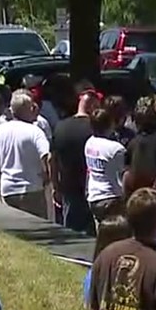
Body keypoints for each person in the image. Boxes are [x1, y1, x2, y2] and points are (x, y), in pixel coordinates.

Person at [0, 89, 53, 218]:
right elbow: (46, 155)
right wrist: (46, 175)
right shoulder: (35, 131)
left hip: (8, 189)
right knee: (37, 227)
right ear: (27, 110)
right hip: (32, 188)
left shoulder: (1, 130)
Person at [53, 90, 100, 234]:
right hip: (91, 187)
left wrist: (55, 186)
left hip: (68, 187)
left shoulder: (60, 127)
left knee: (70, 232)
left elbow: (52, 159)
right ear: (92, 107)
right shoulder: (94, 129)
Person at [85, 107, 128, 224]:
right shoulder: (116, 149)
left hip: (94, 196)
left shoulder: (89, 143)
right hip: (111, 197)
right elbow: (122, 175)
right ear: (110, 124)